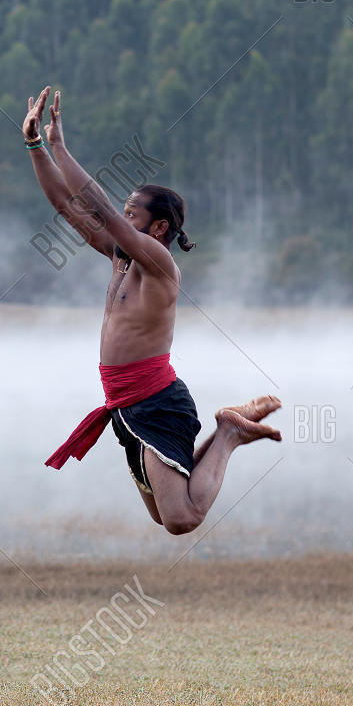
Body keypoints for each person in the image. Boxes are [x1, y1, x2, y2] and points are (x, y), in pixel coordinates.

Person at [26, 86, 280, 535]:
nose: (121, 218)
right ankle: (227, 429)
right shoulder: (120, 258)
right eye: (124, 213)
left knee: (182, 518)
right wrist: (35, 146)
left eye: (132, 214)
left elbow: (100, 208)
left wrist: (60, 146)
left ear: (158, 227)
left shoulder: (160, 264)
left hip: (157, 402)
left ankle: (228, 433)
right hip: (124, 405)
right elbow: (66, 205)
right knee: (165, 516)